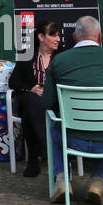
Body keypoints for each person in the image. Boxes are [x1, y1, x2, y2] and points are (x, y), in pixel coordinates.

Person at [42, 16, 103, 205]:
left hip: (71, 139)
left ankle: (62, 179)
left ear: (74, 37)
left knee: (54, 127)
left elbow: (47, 103)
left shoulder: (59, 61)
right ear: (100, 36)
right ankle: (98, 181)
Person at [8, 19, 62, 178]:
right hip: (32, 100)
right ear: (41, 37)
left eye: (58, 35)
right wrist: (31, 88)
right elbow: (13, 82)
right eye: (53, 35)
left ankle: (34, 160)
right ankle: (46, 149)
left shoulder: (61, 57)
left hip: (55, 103)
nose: (58, 39)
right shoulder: (27, 56)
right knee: (31, 102)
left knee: (30, 112)